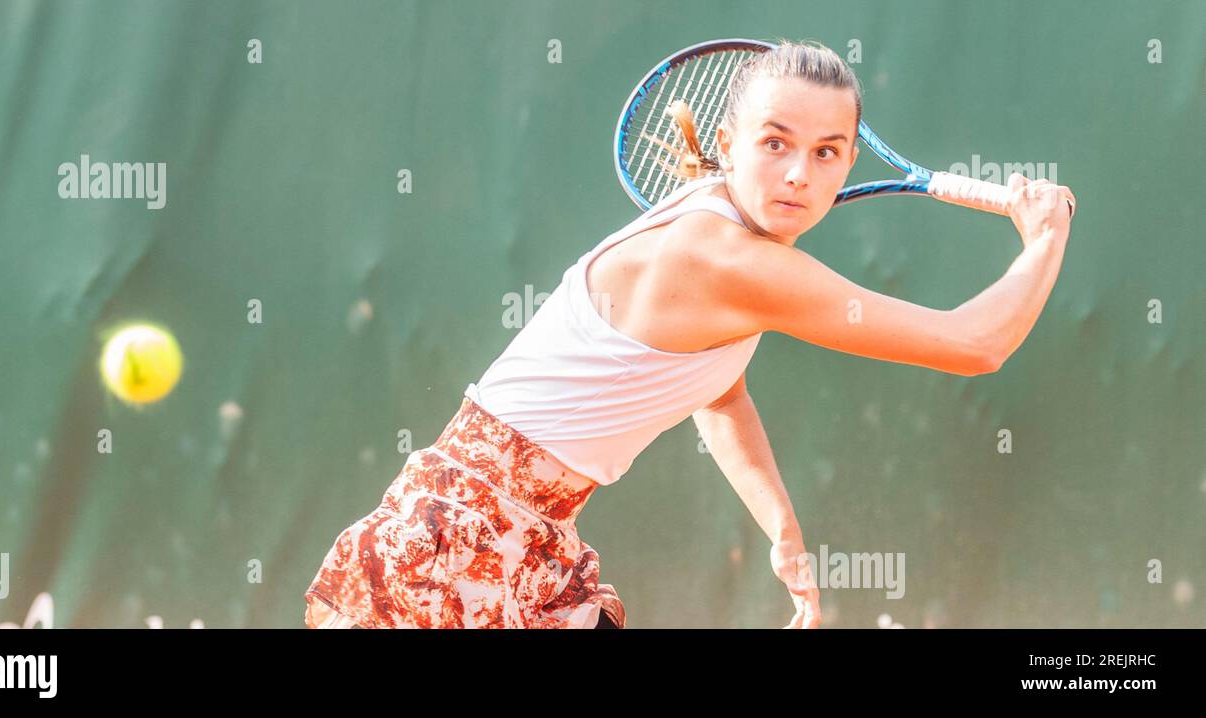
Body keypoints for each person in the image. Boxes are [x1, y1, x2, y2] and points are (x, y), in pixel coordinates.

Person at [303, 40, 1075, 629]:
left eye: (826, 152)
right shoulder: (726, 258)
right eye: (775, 143)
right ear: (731, 141)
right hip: (460, 543)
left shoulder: (717, 224)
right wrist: (1044, 239)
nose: (800, 174)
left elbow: (719, 391)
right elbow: (976, 343)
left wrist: (782, 530)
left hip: (505, 534)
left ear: (845, 164)